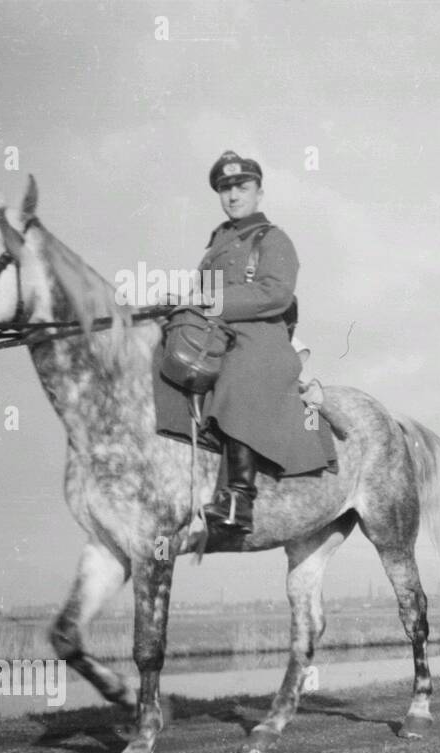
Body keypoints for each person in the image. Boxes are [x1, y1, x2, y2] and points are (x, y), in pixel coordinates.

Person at [153, 150, 333, 536]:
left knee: (236, 373)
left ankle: (239, 498)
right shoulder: (218, 242)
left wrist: (211, 302)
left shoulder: (273, 239)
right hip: (218, 331)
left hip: (261, 339)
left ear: (258, 192)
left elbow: (276, 295)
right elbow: (200, 295)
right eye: (225, 189)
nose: (233, 195)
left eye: (241, 187)